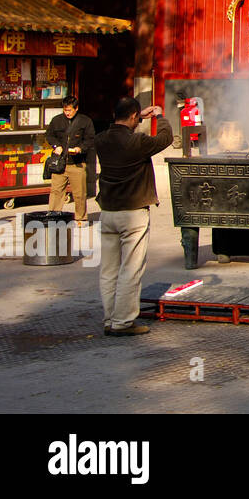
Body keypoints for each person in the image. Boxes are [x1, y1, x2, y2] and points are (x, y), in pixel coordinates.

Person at [94, 97, 171, 336]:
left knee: (108, 269)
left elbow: (114, 128)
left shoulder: (101, 140)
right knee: (130, 269)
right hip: (133, 213)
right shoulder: (137, 141)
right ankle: (123, 322)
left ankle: (109, 318)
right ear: (134, 117)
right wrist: (159, 115)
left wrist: (137, 116)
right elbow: (165, 138)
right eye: (137, 118)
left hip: (107, 211)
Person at [44, 96, 95, 222]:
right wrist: (57, 146)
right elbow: (49, 135)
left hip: (77, 163)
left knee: (80, 193)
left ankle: (81, 218)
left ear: (76, 109)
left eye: (70, 110)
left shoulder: (85, 121)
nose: (67, 113)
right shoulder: (56, 120)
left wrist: (80, 149)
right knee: (56, 192)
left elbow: (90, 139)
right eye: (65, 110)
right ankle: (54, 217)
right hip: (60, 163)